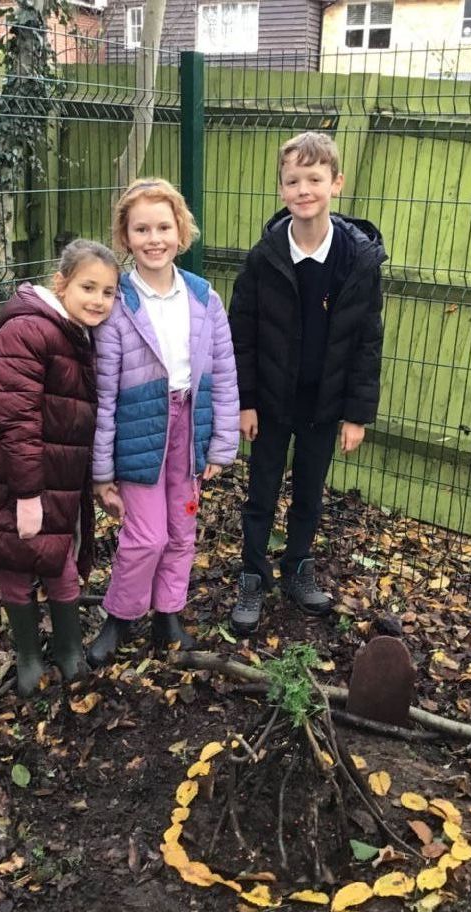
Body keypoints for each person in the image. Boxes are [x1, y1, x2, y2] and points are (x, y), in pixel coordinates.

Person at [228, 131, 386, 634]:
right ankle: (254, 573)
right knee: (262, 491)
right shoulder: (264, 258)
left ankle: (298, 567)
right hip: (272, 403)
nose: (303, 189)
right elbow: (243, 336)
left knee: (310, 494)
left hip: (324, 402)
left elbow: (367, 341)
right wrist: (245, 401)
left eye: (314, 179)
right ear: (281, 190)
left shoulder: (357, 262)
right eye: (292, 180)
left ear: (336, 183)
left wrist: (356, 414)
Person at [0, 240, 119, 696]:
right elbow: (16, 419)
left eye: (108, 292)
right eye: (88, 287)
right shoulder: (28, 331)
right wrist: (26, 495)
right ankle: (27, 654)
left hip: (54, 478)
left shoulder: (77, 333)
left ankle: (67, 647)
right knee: (13, 562)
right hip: (8, 479)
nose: (98, 300)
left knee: (59, 561)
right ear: (60, 283)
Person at [87, 178, 239, 666]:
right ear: (125, 237)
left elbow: (225, 374)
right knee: (145, 536)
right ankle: (120, 616)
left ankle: (168, 614)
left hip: (188, 429)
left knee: (181, 532)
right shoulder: (117, 307)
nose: (154, 239)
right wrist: (102, 473)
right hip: (138, 434)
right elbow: (105, 394)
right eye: (141, 229)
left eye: (163, 227)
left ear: (180, 231)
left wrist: (220, 446)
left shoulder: (203, 298)